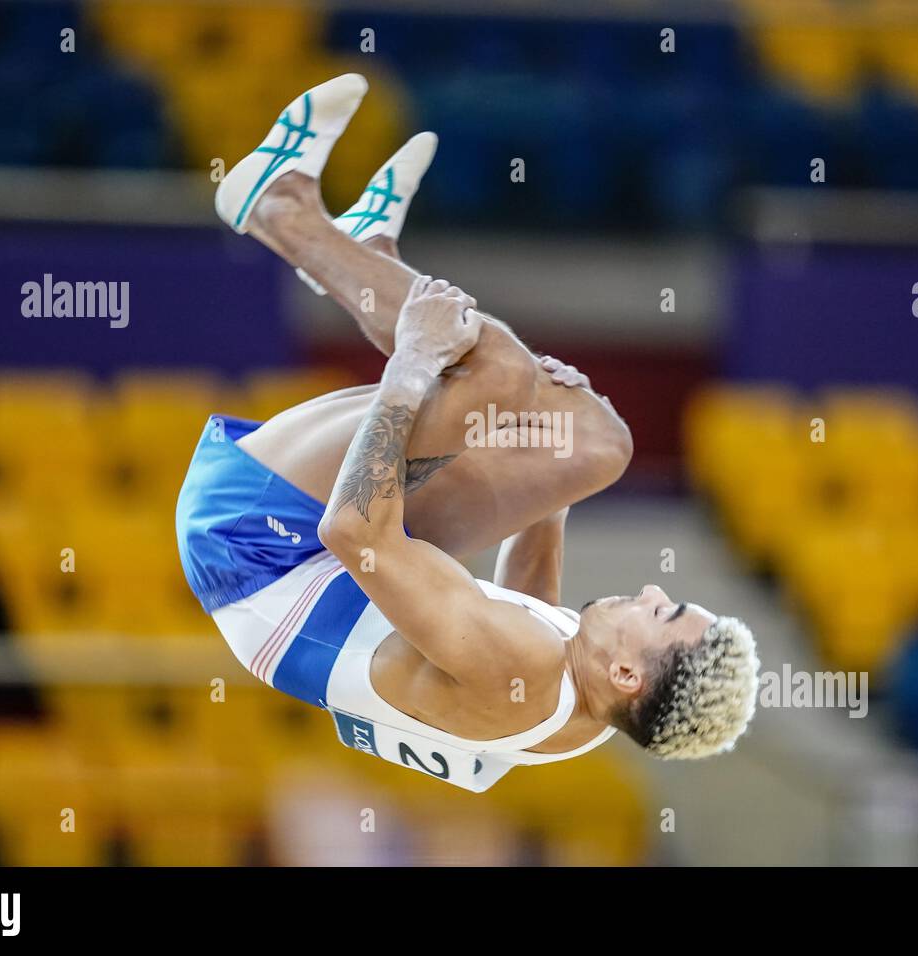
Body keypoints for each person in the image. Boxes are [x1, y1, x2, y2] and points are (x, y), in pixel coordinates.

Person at [176, 74, 758, 792]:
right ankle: (363, 258)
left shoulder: (520, 670)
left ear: (629, 673)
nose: (649, 589)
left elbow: (353, 532)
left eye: (661, 612)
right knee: (596, 449)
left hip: (254, 544)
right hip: (337, 564)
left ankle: (280, 209)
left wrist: (411, 366)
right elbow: (528, 604)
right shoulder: (588, 708)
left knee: (495, 374)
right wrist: (550, 486)